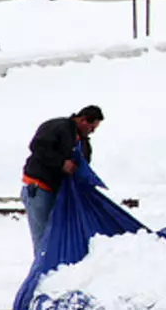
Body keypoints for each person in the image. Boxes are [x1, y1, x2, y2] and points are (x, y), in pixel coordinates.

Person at [21, 105, 104, 258]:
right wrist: (61, 163)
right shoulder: (57, 127)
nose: (92, 131)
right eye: (92, 127)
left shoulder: (83, 143)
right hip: (38, 189)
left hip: (57, 193)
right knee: (44, 237)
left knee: (58, 234)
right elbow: (38, 147)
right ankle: (42, 272)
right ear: (83, 120)